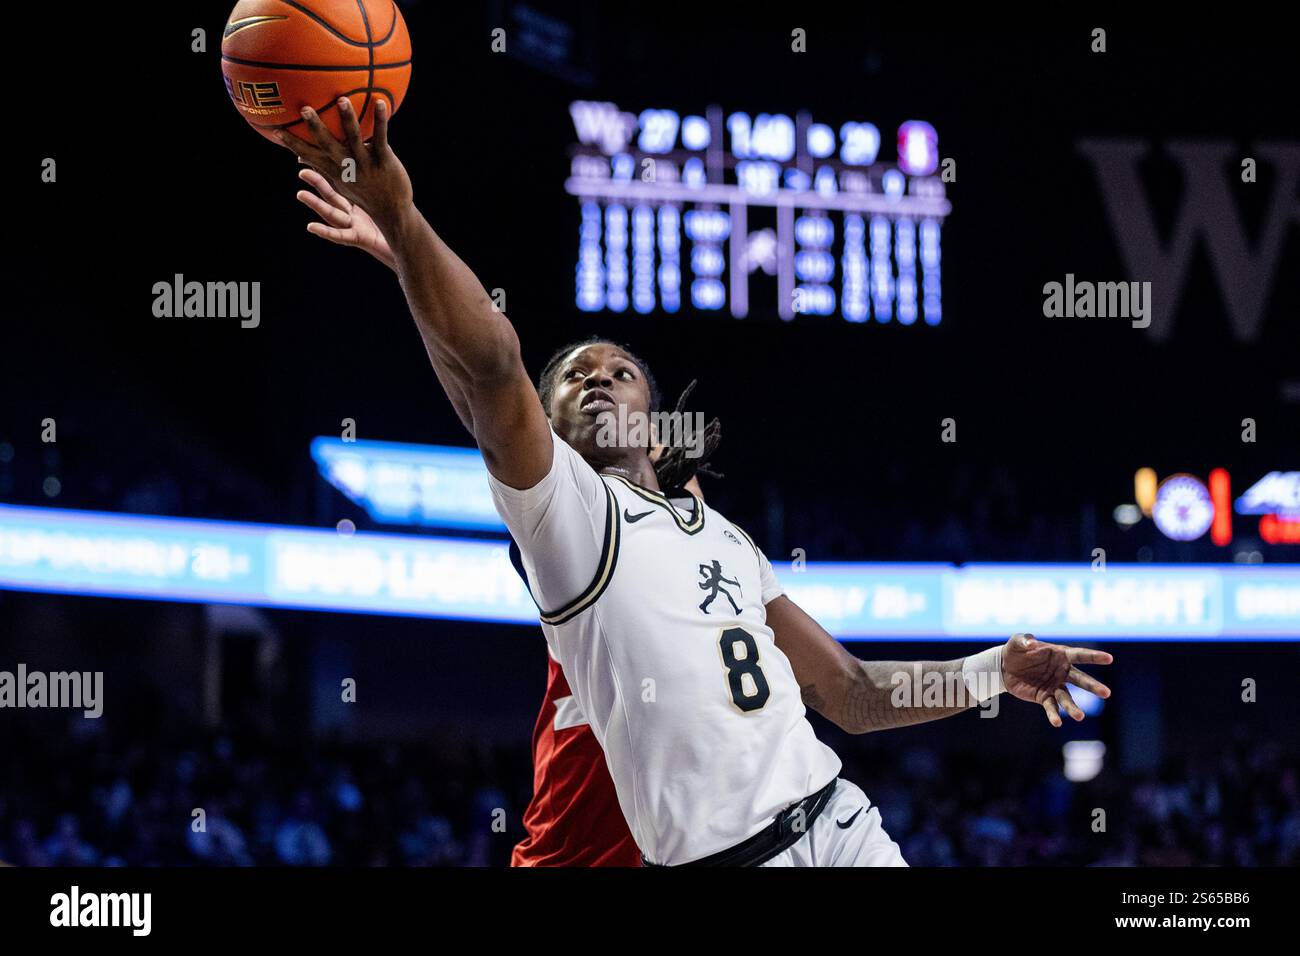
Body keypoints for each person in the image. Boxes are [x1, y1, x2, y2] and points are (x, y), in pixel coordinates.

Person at [276, 98, 1113, 866]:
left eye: (618, 370)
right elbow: (489, 368)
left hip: (844, 827)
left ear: (652, 408)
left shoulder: (729, 539)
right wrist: (403, 222)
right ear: (548, 417)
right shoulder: (570, 517)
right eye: (572, 376)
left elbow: (850, 694)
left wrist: (990, 673)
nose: (596, 379)